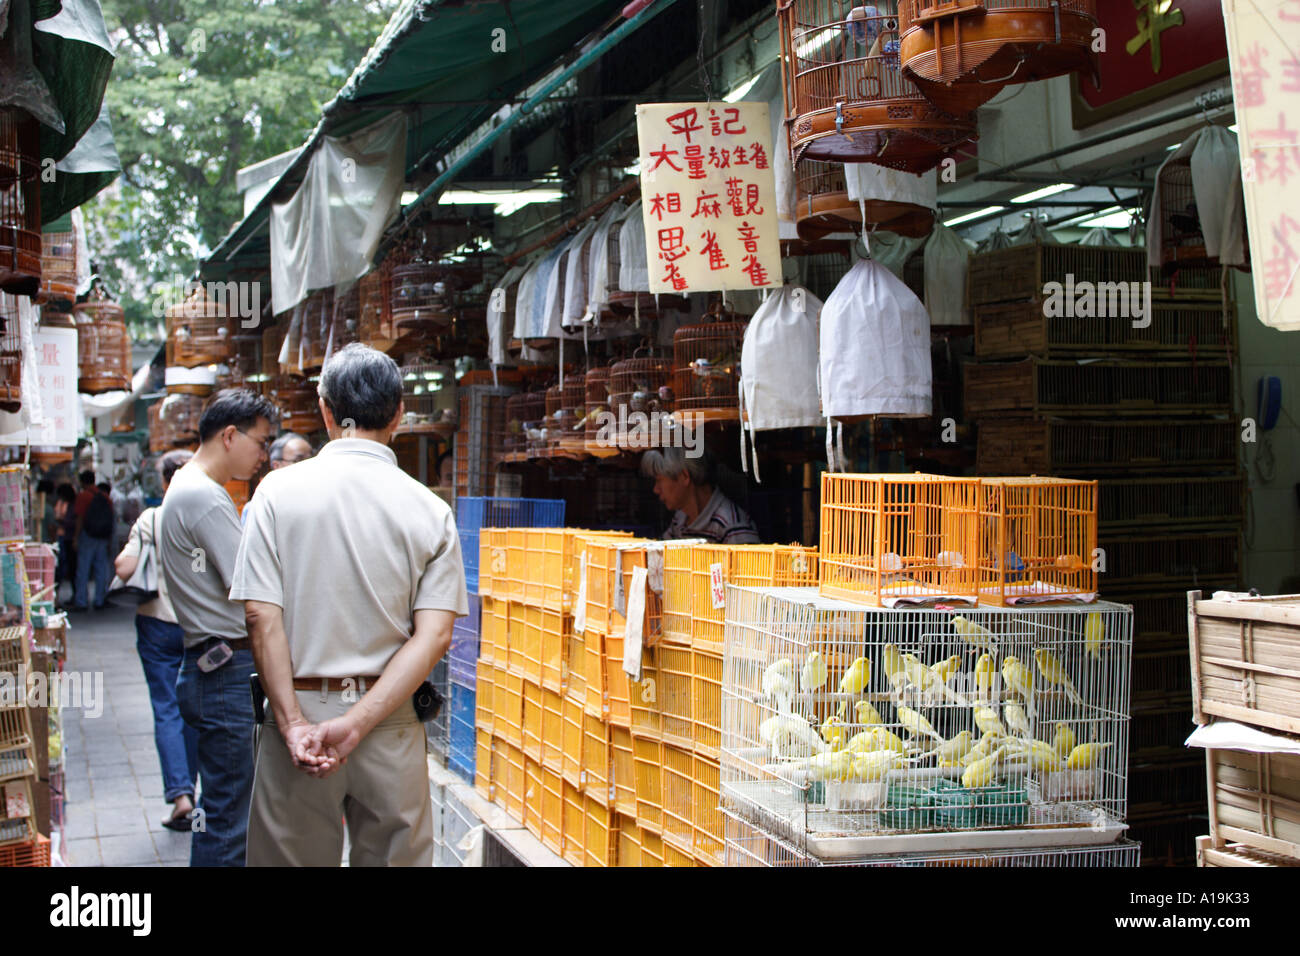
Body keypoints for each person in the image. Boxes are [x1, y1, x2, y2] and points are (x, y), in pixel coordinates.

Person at [232, 343, 466, 867]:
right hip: (389, 723)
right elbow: (434, 637)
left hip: (301, 720)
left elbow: (258, 616)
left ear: (325, 410)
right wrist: (359, 722)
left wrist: (292, 724)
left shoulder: (274, 494)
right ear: (400, 416)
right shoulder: (431, 511)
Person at [158, 388, 277, 867]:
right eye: (262, 442)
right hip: (225, 671)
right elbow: (253, 589)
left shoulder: (189, 488)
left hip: (212, 666)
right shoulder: (205, 497)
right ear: (230, 435)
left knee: (223, 813)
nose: (263, 455)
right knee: (228, 821)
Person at [114, 450, 198, 832]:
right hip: (198, 627)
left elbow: (125, 568)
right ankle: (198, 794)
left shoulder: (151, 518)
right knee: (195, 708)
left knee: (166, 707)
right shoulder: (205, 515)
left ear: (164, 482)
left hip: (156, 624)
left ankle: (182, 797)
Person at [641, 446, 761, 544]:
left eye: (659, 480)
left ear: (684, 477)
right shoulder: (680, 520)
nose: (656, 489)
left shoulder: (731, 527)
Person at [73, 478, 116, 611]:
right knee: (101, 569)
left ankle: (81, 601)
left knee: (83, 569)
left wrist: (75, 537)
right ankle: (100, 599)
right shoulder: (105, 497)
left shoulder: (83, 496)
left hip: (87, 535)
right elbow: (111, 519)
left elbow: (80, 518)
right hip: (102, 536)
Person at [53, 483, 78, 604]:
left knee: (71, 568)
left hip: (70, 539)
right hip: (68, 538)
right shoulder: (69, 505)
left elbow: (74, 522)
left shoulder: (73, 505)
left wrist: (62, 521)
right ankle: (76, 596)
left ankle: (77, 596)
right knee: (70, 567)